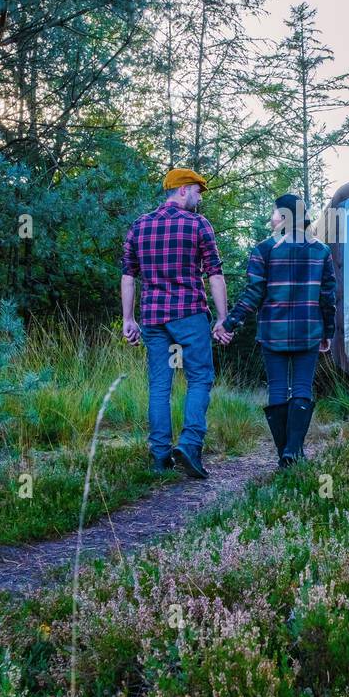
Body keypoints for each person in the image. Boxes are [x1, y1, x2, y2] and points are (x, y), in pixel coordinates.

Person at [121, 168, 228, 480]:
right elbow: (214, 274)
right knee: (199, 379)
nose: (199, 196)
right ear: (182, 190)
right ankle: (190, 445)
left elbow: (129, 275)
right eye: (197, 190)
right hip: (189, 315)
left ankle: (159, 457)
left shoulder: (140, 225)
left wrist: (129, 319)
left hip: (153, 319)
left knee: (159, 386)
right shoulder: (197, 224)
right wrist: (223, 318)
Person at [216, 194, 336, 467]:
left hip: (273, 331)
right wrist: (327, 332)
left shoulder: (264, 250)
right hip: (308, 330)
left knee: (278, 389)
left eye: (274, 213)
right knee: (303, 387)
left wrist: (230, 322)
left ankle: (285, 451)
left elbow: (253, 294)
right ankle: (294, 450)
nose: (270, 218)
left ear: (284, 217)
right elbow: (328, 297)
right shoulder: (321, 251)